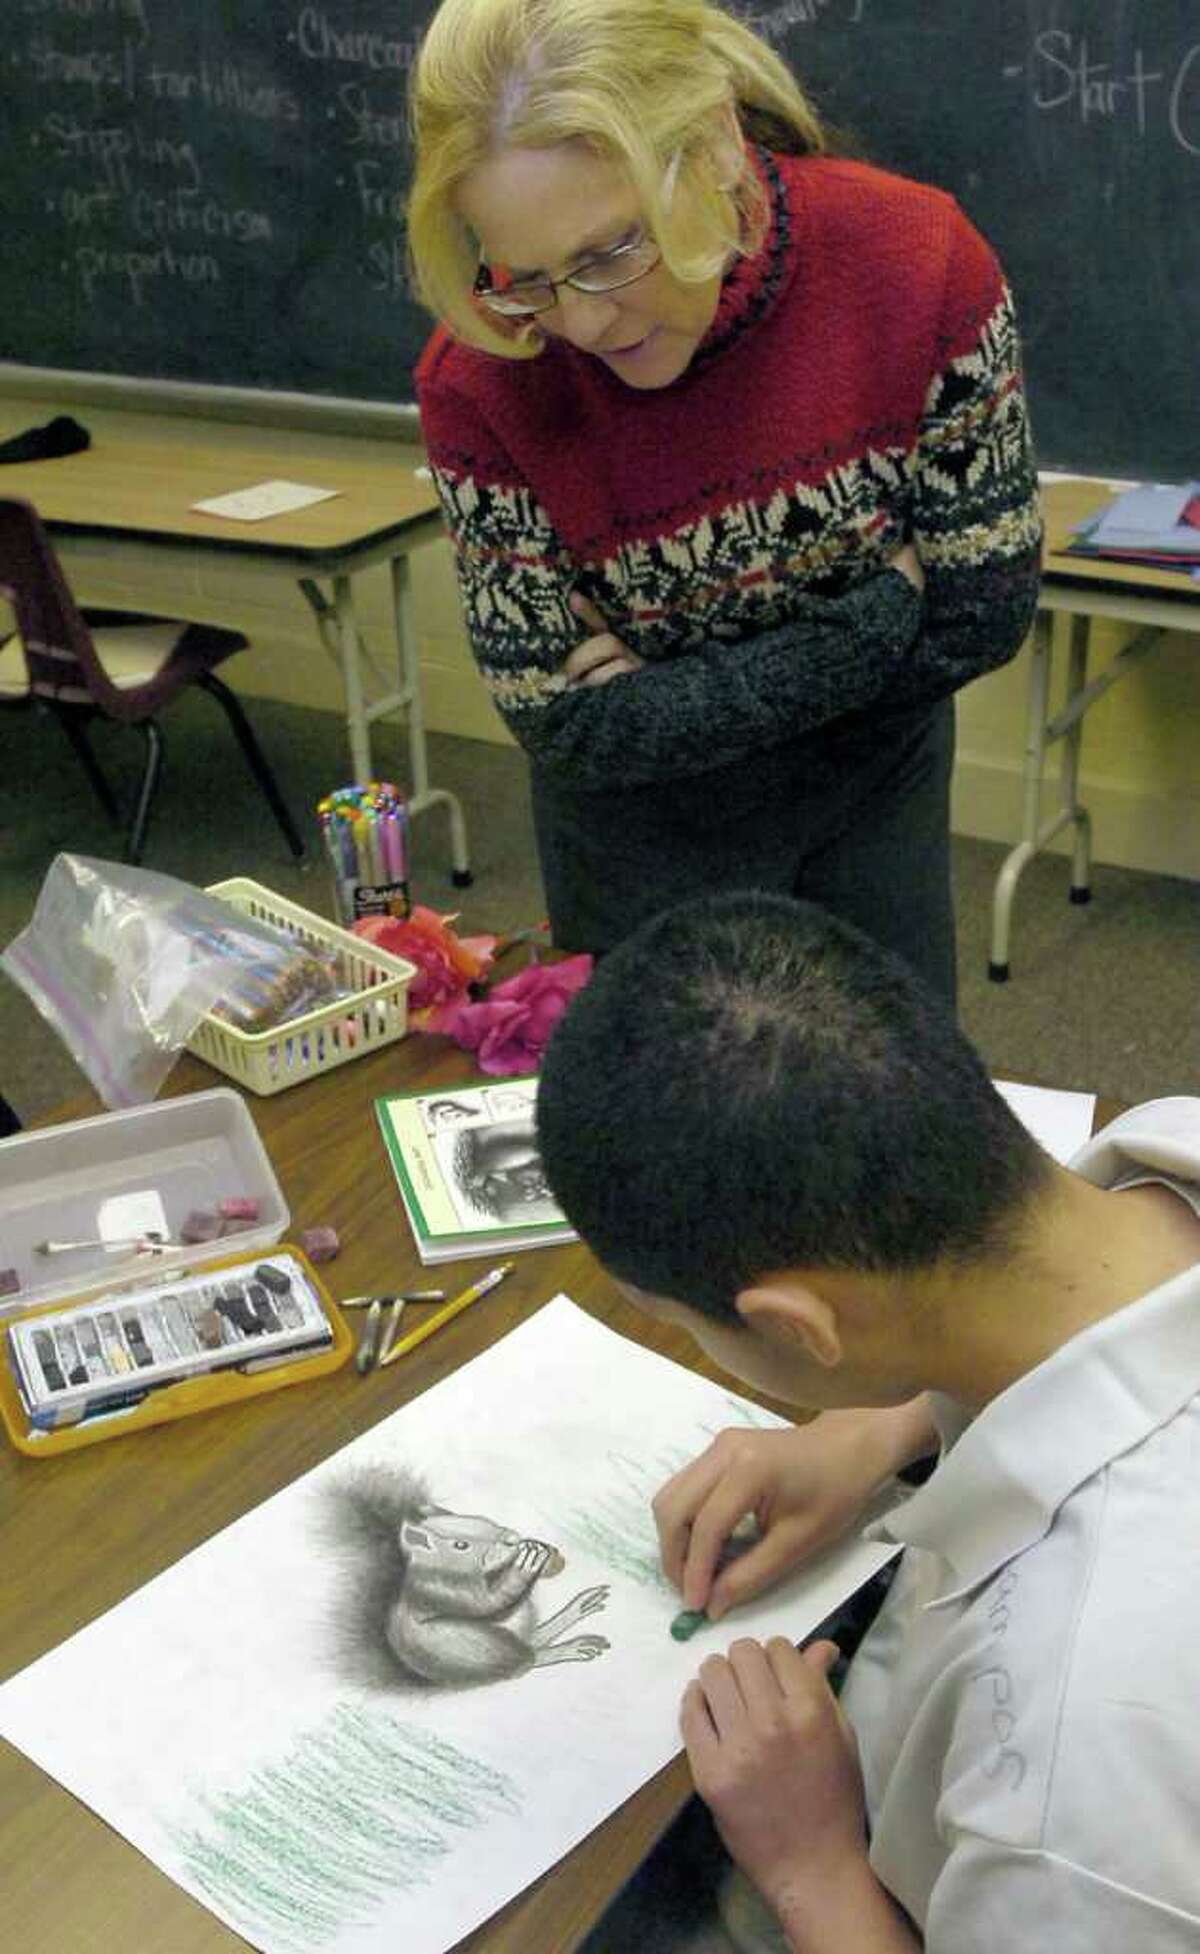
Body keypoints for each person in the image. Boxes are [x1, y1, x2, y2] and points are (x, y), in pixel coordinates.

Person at [536, 890, 1200, 1953]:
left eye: (685, 1325)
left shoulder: (1066, 1795)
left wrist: (813, 1865)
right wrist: (896, 1424)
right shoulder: (1167, 1145)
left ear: (798, 1329)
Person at [406, 0, 1042, 1004]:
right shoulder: (484, 371)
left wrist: (671, 686)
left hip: (871, 808)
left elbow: (982, 612)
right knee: (665, 1096)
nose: (581, 322)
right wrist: (876, 611)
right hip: (639, 850)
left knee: (883, 1088)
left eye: (612, 252)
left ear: (713, 147)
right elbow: (567, 725)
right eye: (527, 277)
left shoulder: (915, 262)